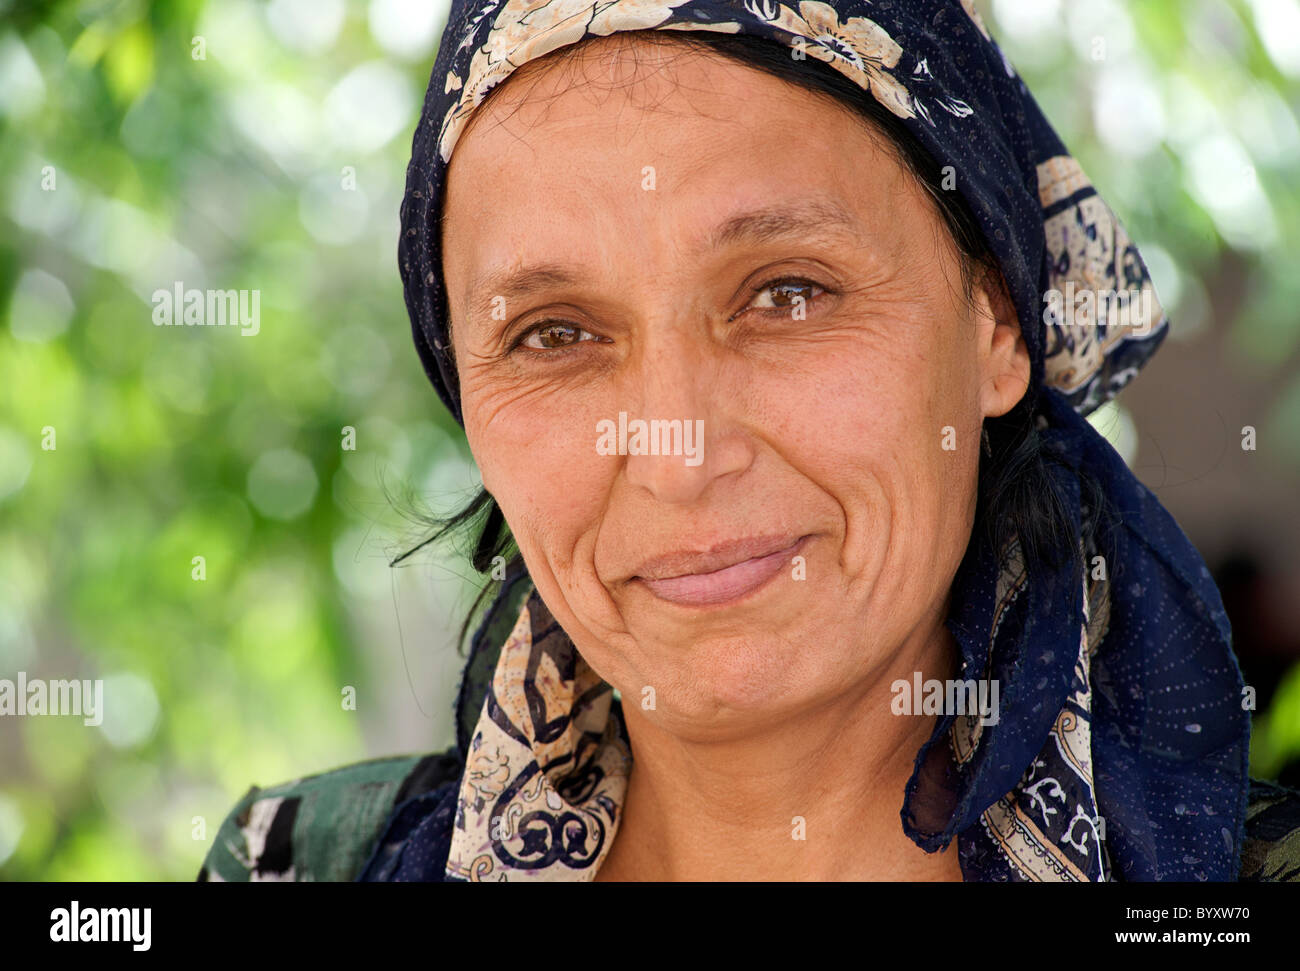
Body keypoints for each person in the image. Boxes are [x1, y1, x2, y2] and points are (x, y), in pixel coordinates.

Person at [199, 0, 1300, 882]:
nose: (678, 456)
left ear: (995, 324)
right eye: (556, 333)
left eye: (786, 293)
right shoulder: (295, 864)